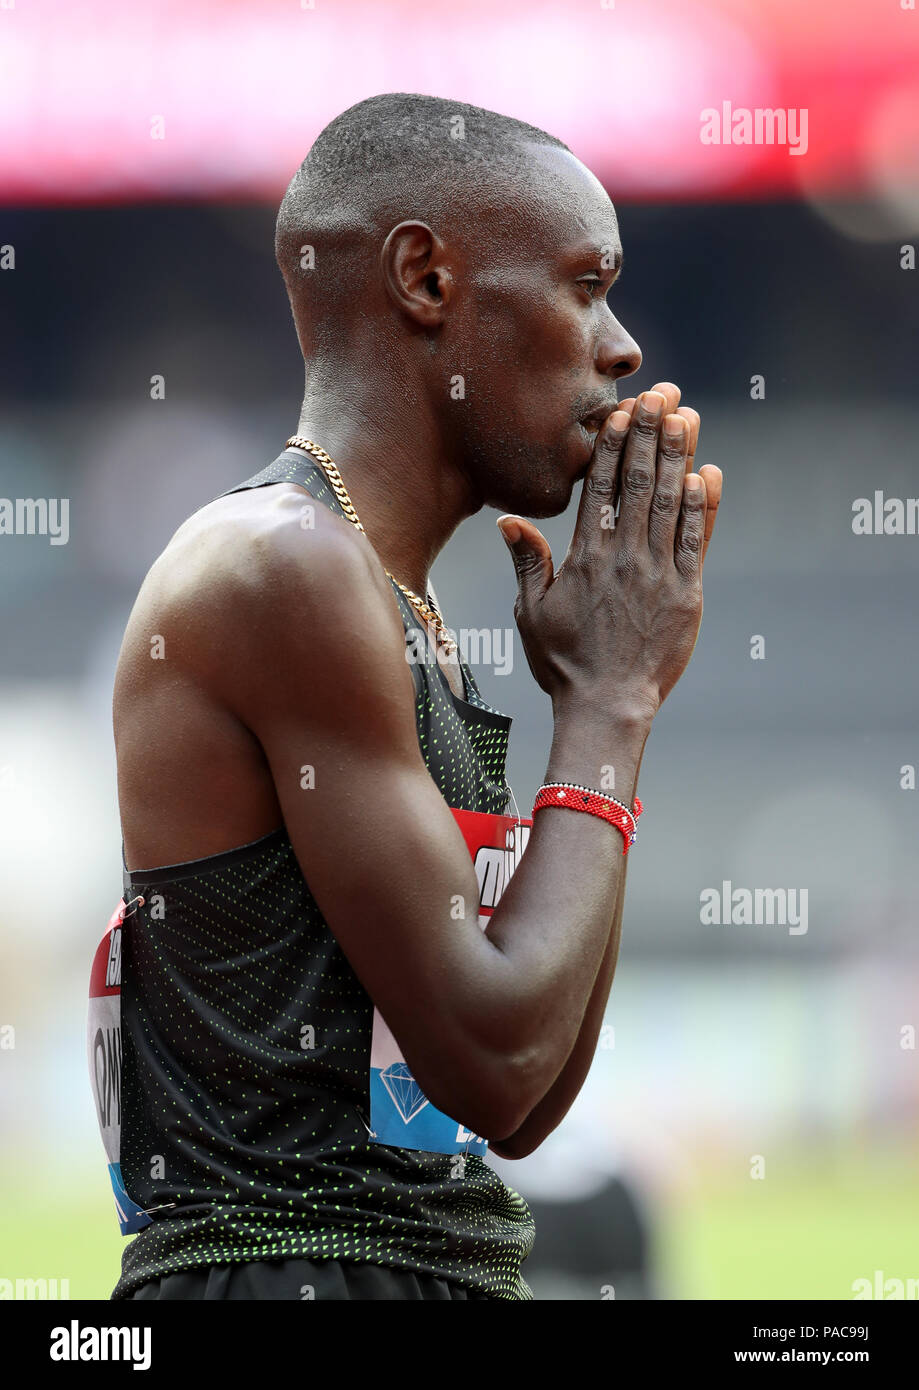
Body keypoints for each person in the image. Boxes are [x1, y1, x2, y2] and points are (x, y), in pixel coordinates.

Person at [87, 92, 722, 1302]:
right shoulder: (284, 569)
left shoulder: (395, 608)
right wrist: (608, 709)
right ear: (426, 279)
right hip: (288, 1278)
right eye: (585, 286)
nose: (623, 346)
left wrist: (600, 696)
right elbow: (492, 1059)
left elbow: (525, 1097)